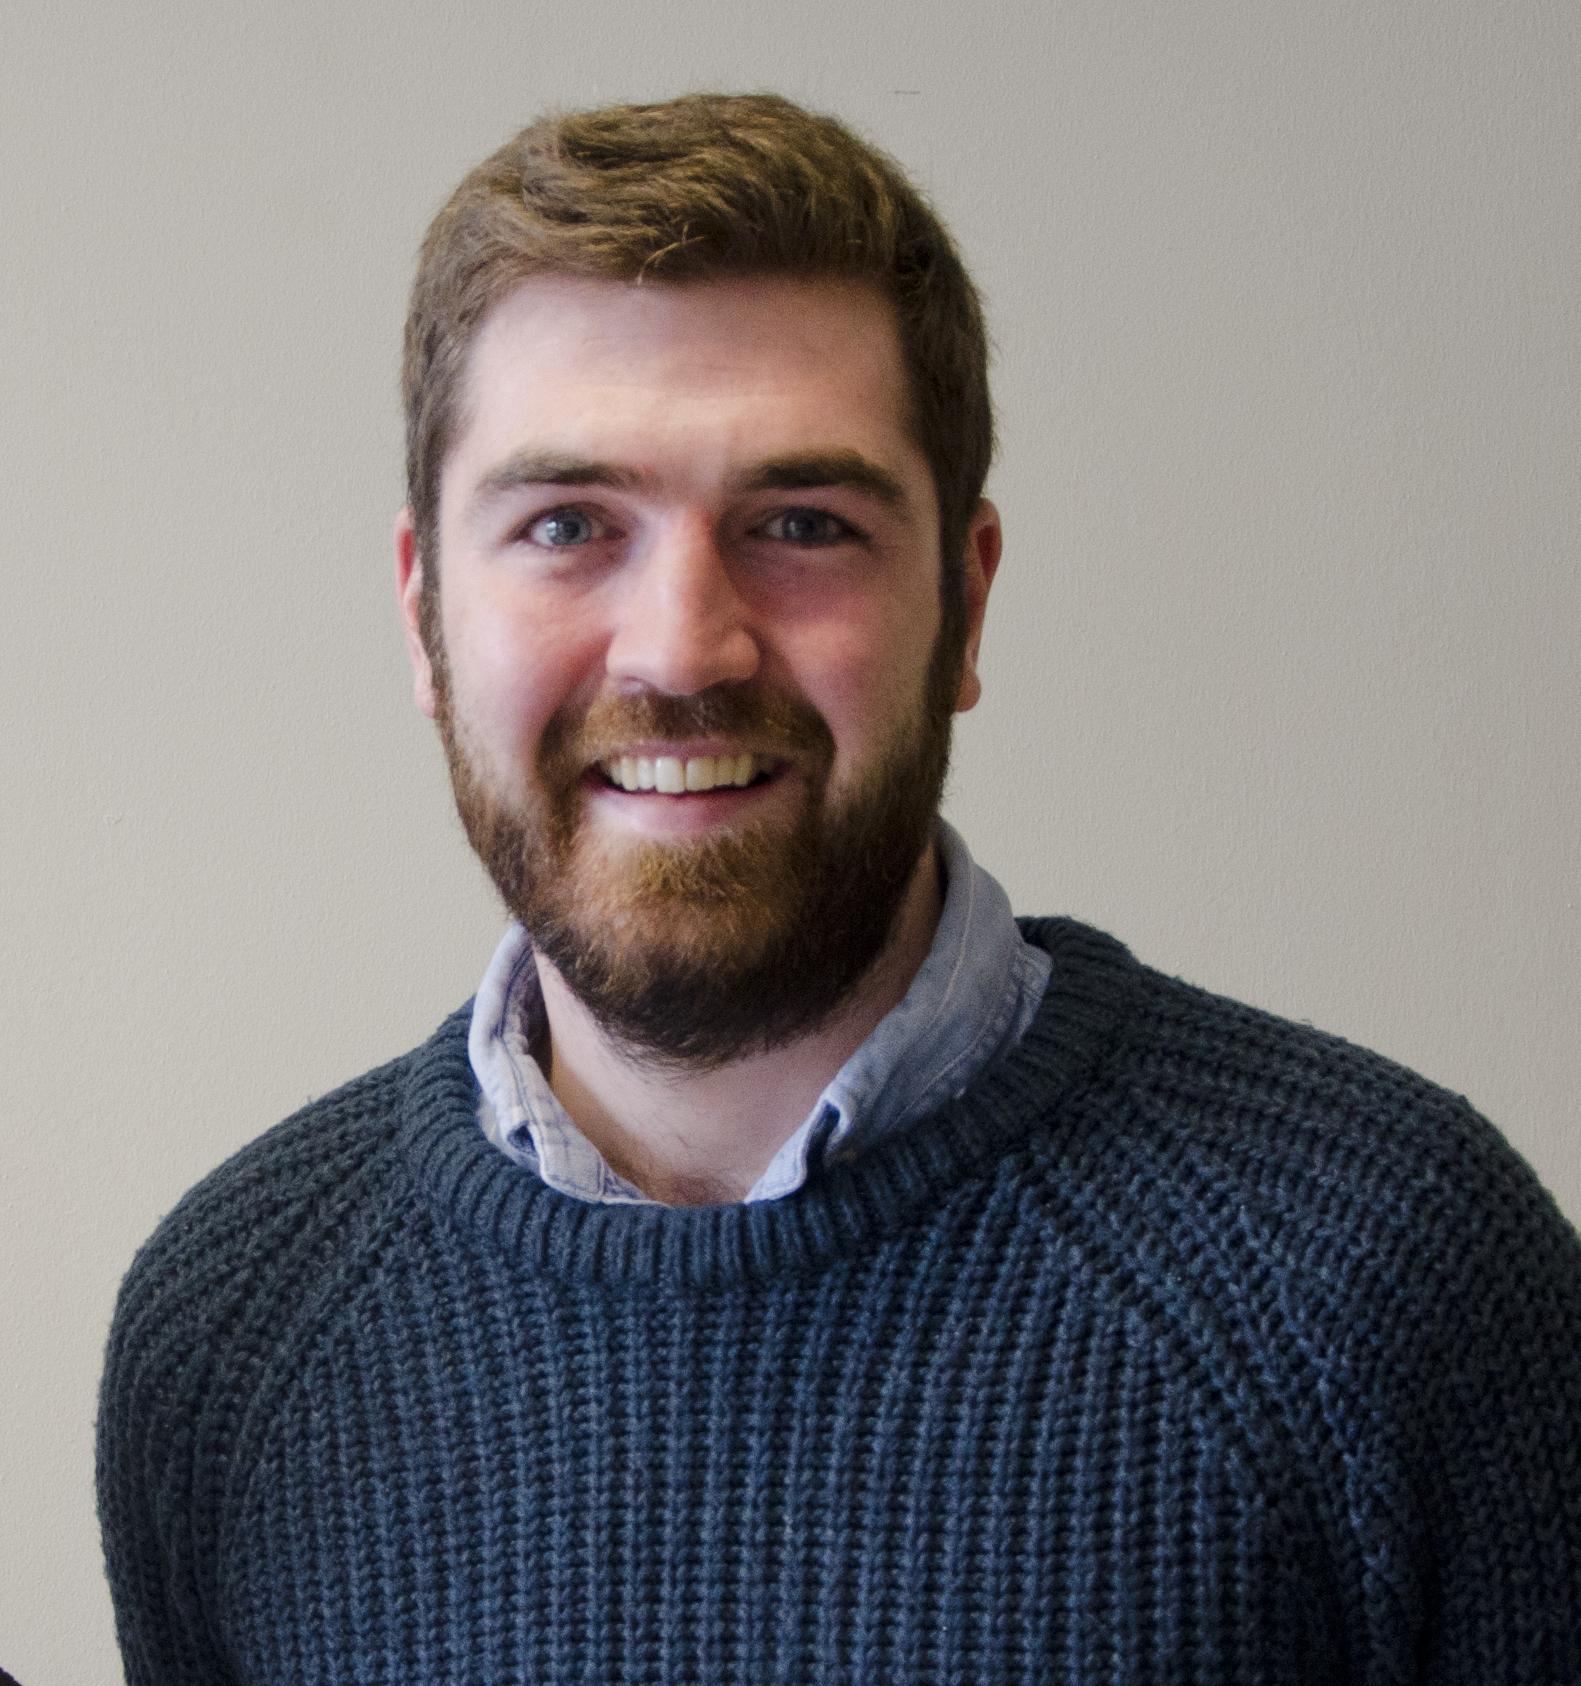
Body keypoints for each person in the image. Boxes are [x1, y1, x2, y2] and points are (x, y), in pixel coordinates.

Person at [97, 92, 1581, 1684]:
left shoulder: (1385, 1279)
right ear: (421, 612)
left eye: (802, 523)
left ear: (964, 598)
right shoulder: (232, 1334)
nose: (682, 645)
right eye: (567, 524)